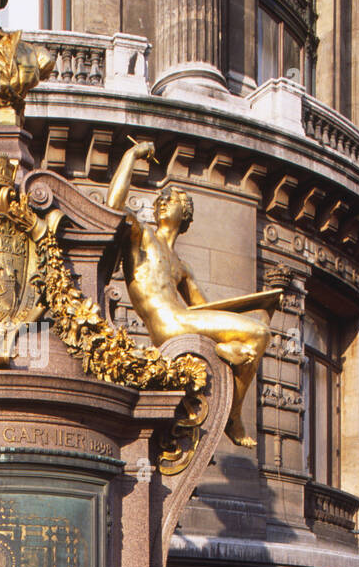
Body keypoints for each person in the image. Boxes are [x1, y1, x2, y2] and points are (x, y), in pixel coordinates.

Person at [107, 141, 276, 448]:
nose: (162, 201)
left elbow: (207, 309)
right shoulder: (141, 235)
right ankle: (233, 412)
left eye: (170, 200)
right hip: (169, 324)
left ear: (183, 213)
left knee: (259, 332)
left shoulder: (182, 268)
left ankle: (232, 368)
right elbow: (113, 208)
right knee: (258, 333)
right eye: (160, 199)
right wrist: (130, 156)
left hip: (183, 320)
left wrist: (259, 304)